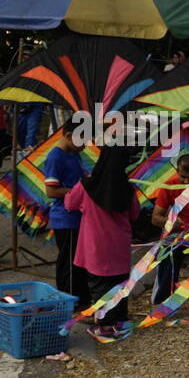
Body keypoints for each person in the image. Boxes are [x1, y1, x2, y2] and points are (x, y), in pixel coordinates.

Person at [64, 146, 139, 341]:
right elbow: (135, 214)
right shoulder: (128, 188)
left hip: (95, 246)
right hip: (119, 245)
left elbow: (70, 203)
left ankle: (104, 325)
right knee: (120, 284)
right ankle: (119, 321)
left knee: (98, 286)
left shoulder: (86, 185)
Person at [151, 153, 189, 304]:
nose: (186, 181)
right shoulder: (169, 185)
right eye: (183, 176)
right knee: (166, 254)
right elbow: (155, 218)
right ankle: (162, 302)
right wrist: (168, 222)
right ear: (177, 171)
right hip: (176, 236)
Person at [42, 118, 89, 300]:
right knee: (68, 263)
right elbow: (51, 190)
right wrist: (79, 192)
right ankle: (69, 299)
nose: (85, 146)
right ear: (69, 135)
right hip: (65, 218)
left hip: (78, 216)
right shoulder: (56, 157)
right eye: (83, 141)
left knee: (79, 261)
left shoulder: (74, 154)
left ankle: (82, 297)